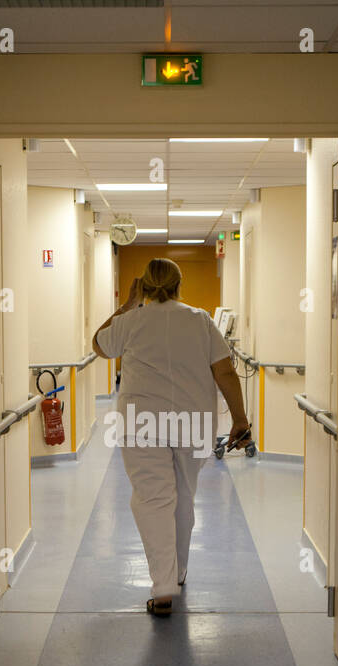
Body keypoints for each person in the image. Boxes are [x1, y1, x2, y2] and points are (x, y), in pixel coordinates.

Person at [92, 258, 252, 616]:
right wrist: (239, 419)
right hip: (193, 422)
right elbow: (224, 371)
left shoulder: (130, 321)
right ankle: (177, 574)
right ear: (180, 285)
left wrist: (127, 304)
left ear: (144, 288)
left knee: (153, 499)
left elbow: (99, 345)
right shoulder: (201, 320)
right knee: (183, 497)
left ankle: (164, 587)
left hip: (141, 423)